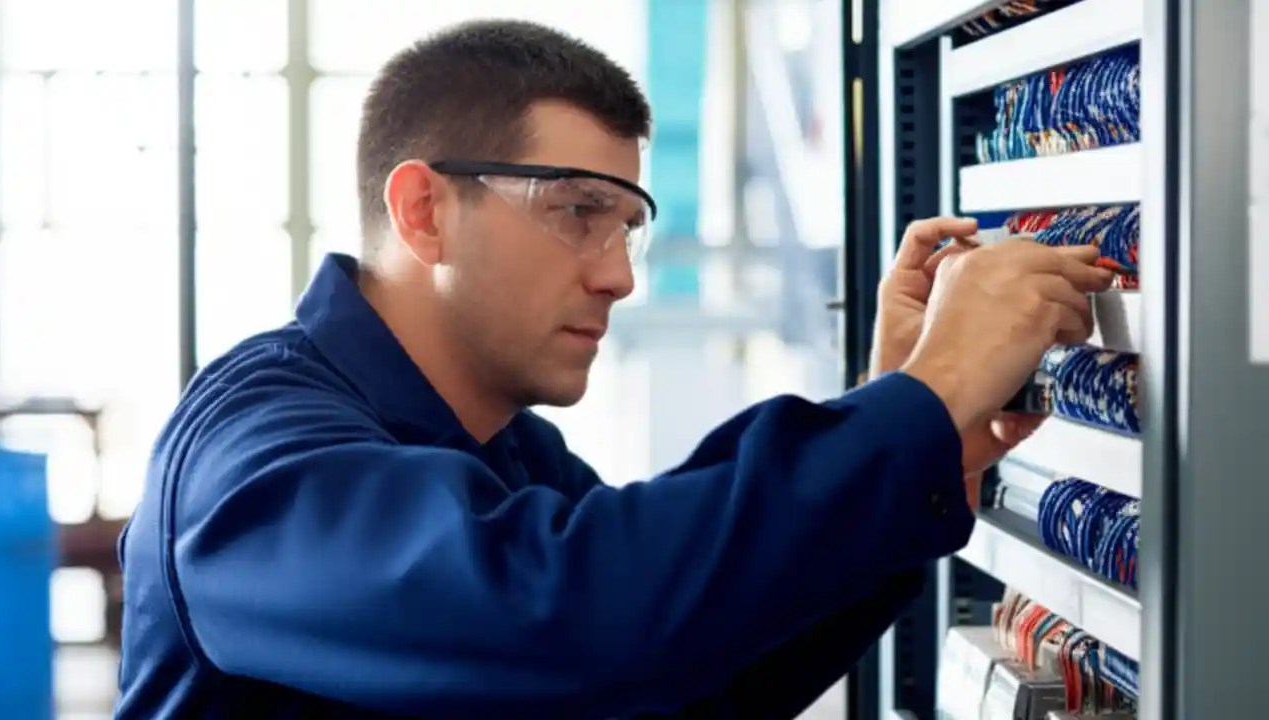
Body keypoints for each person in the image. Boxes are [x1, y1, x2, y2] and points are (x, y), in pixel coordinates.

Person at [115, 19, 1112, 719]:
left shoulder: (510, 456)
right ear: (422, 211)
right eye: (577, 212)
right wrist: (914, 405)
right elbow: (569, 614)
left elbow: (682, 676)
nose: (617, 276)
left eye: (628, 224)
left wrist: (921, 448)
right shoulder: (255, 458)